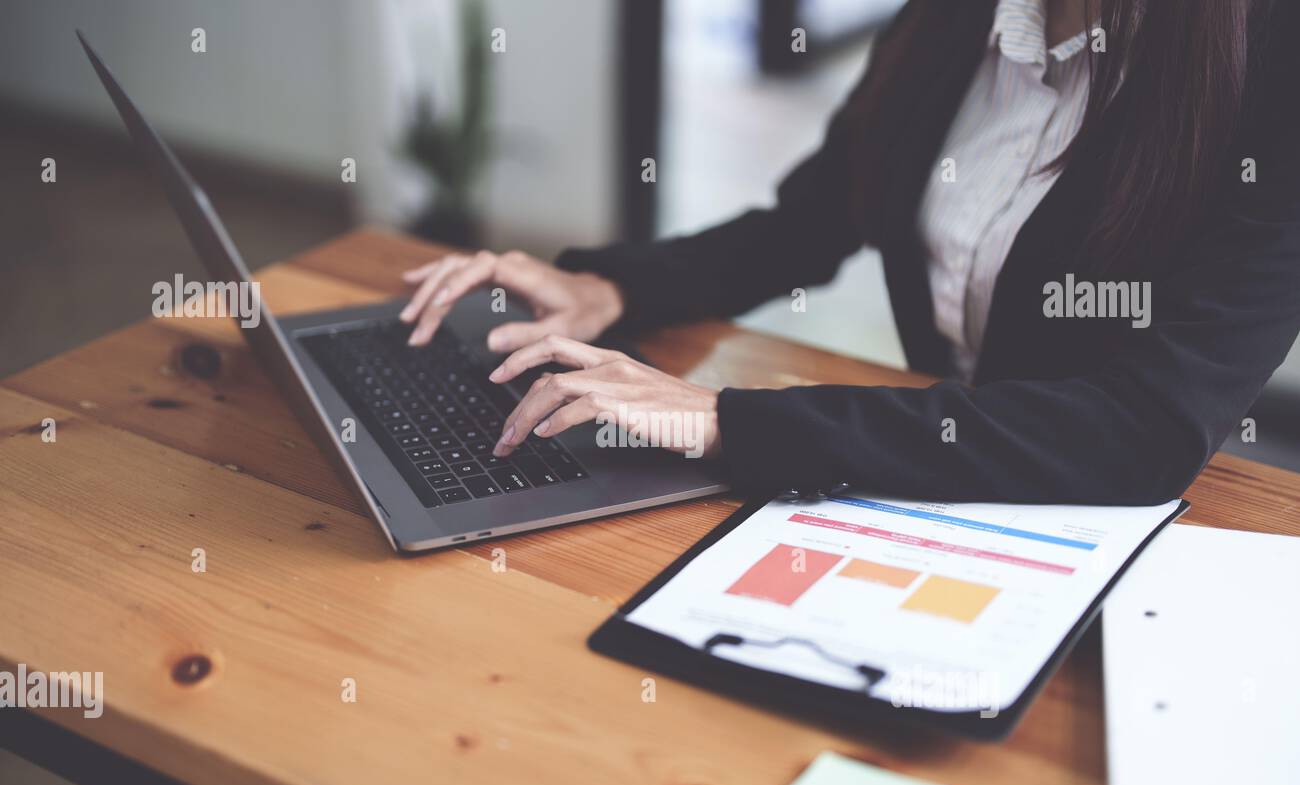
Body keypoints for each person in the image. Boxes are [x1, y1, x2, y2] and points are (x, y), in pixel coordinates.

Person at [398, 0, 1300, 505]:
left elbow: (1141, 434)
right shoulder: (954, 21)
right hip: (924, 481)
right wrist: (609, 288)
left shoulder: (1271, 80)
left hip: (1090, 529)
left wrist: (724, 419)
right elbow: (820, 217)